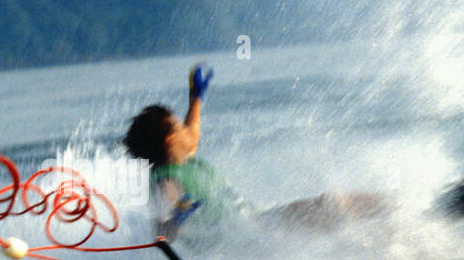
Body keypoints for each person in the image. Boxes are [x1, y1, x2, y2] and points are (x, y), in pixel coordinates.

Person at [122, 64, 387, 240]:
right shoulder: (166, 180)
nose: (186, 129)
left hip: (255, 222)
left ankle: (391, 219)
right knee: (331, 205)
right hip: (249, 238)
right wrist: (176, 219)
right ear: (169, 140)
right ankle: (400, 212)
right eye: (178, 125)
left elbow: (192, 136)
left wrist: (196, 99)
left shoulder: (181, 158)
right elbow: (162, 231)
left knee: (333, 207)